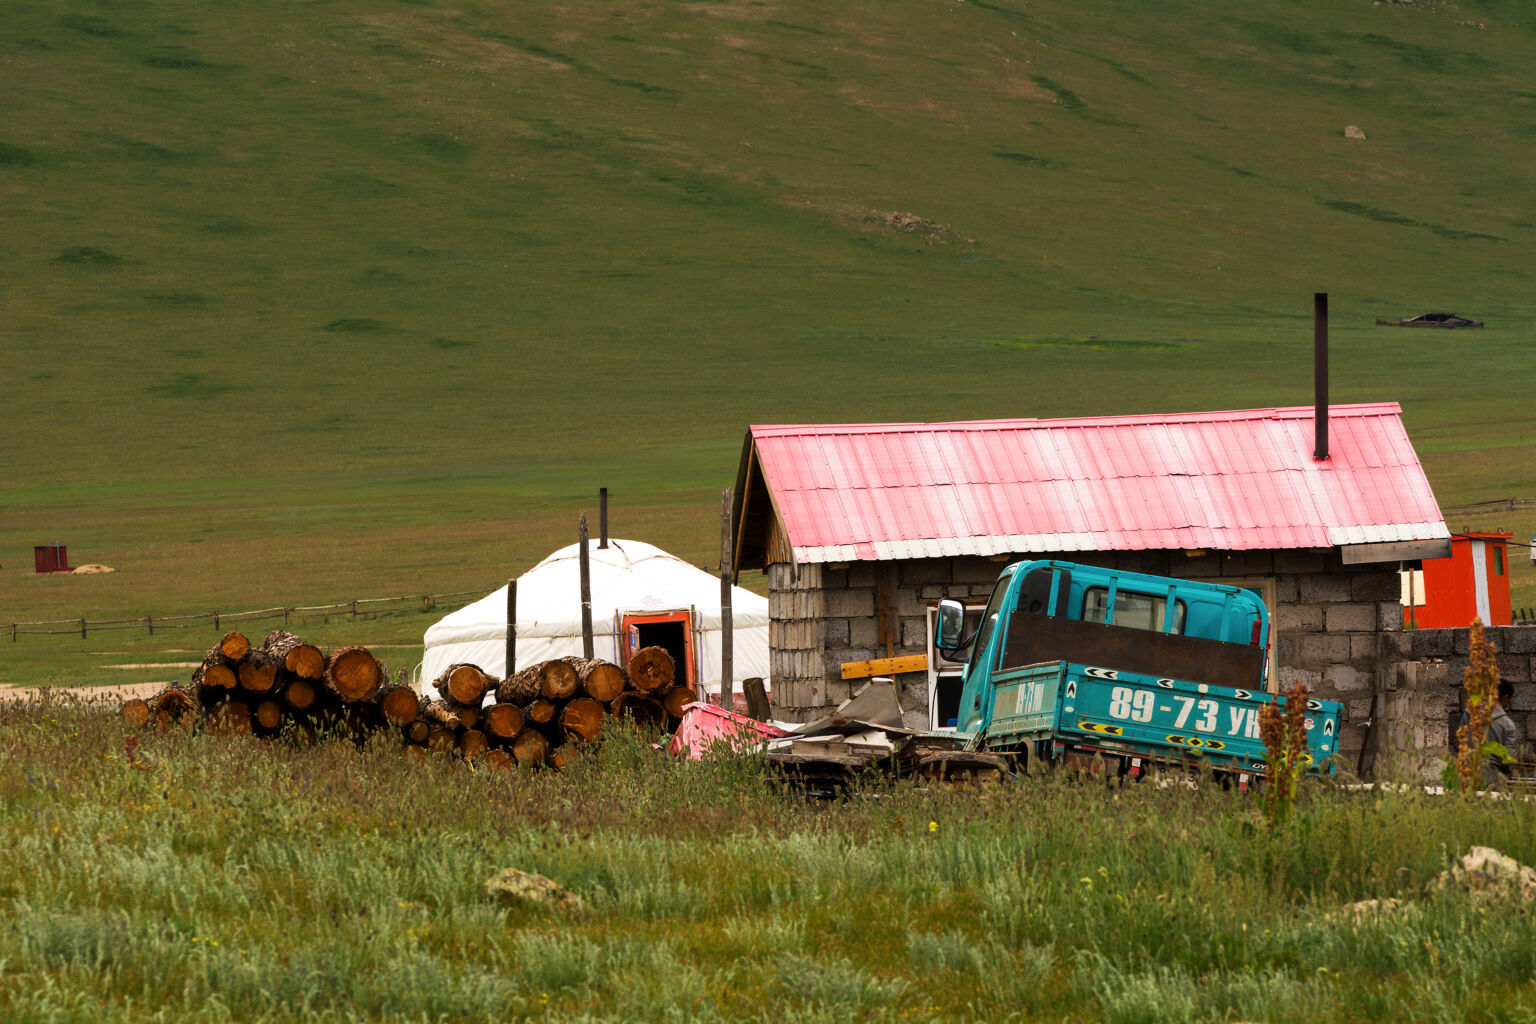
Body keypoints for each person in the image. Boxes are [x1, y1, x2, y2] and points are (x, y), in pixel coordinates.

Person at [1458, 682, 1520, 779]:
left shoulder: (1469, 713)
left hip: (1465, 774)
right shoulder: (1508, 724)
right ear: (1505, 697)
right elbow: (1509, 759)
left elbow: (1458, 741)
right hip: (1491, 777)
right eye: (1509, 700)